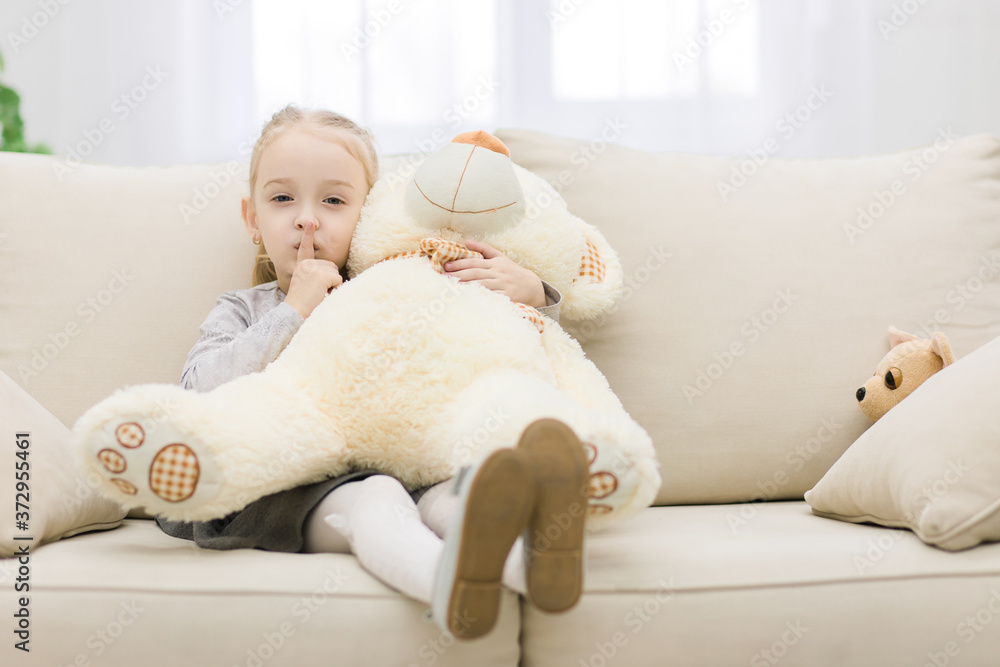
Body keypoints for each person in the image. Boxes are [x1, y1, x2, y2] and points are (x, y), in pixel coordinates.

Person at [155, 104, 588, 638]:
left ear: (369, 215)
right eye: (282, 198)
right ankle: (447, 586)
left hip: (395, 467)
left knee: (453, 494)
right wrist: (295, 311)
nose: (306, 218)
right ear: (252, 218)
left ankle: (536, 566)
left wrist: (533, 294)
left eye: (333, 200)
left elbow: (475, 345)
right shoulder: (246, 309)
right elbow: (198, 391)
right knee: (376, 496)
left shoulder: (387, 289)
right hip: (273, 486)